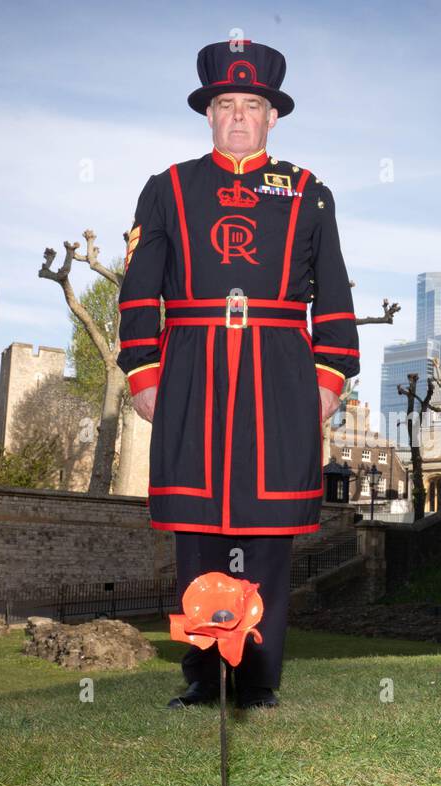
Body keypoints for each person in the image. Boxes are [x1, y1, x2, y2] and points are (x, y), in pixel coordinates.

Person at [116, 39, 360, 710]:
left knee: (267, 535)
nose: (239, 117)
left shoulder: (310, 193)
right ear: (209, 113)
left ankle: (256, 680)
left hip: (279, 368)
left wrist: (331, 374)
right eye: (226, 104)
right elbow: (139, 289)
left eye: (252, 105)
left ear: (273, 116)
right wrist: (143, 365)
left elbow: (335, 294)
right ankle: (202, 676)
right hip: (191, 363)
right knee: (198, 533)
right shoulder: (165, 187)